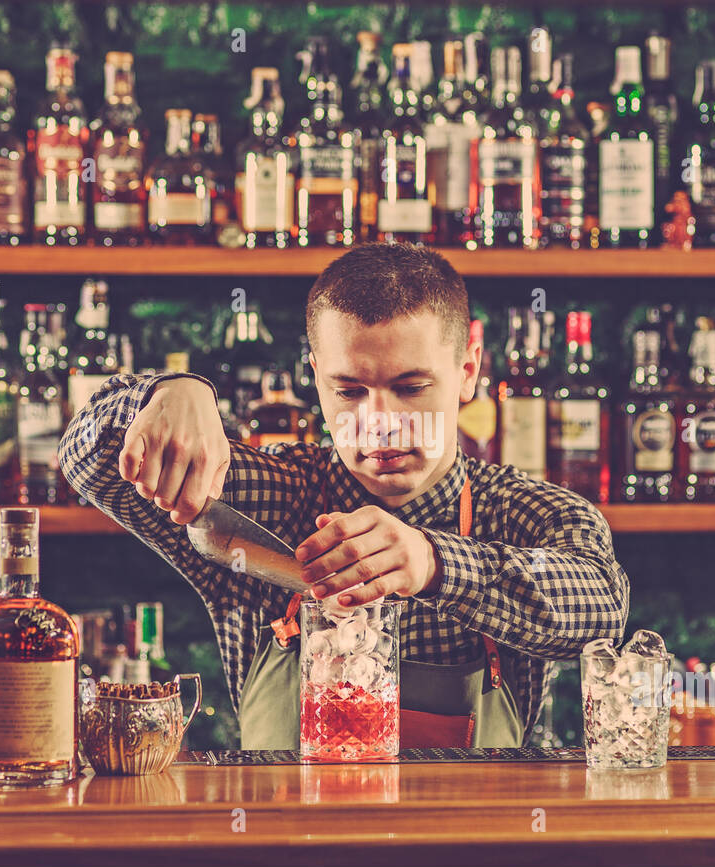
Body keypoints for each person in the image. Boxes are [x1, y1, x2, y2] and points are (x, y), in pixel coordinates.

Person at [59, 242, 629, 748]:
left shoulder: (522, 511)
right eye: (350, 390)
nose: (379, 422)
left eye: (410, 387)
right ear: (315, 377)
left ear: (468, 372)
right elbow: (87, 462)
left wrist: (433, 562)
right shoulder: (270, 500)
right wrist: (168, 393)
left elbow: (602, 608)